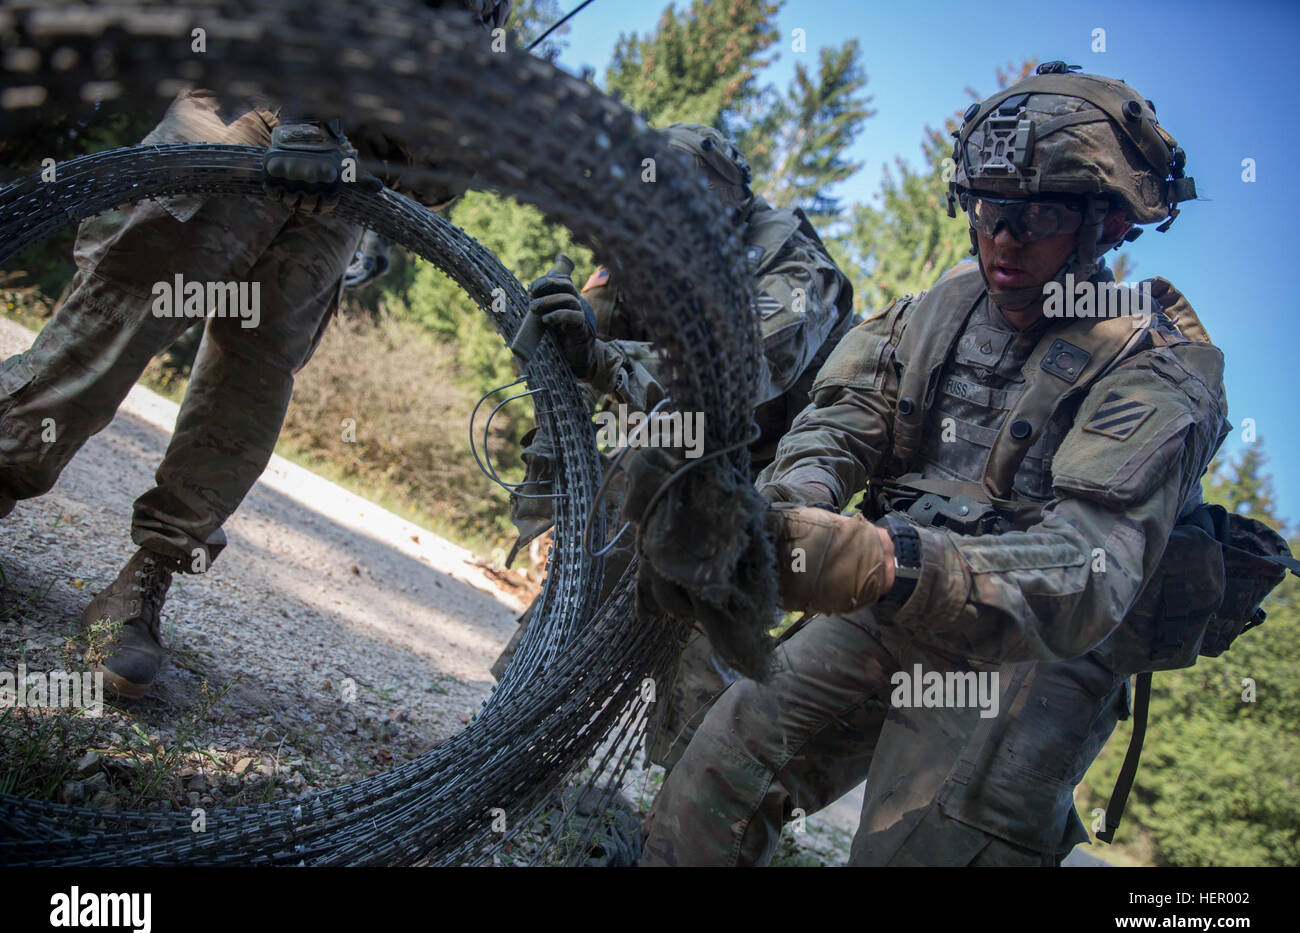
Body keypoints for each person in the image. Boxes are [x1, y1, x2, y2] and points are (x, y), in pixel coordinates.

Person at [636, 65, 1225, 865]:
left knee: (924, 852)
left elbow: (1088, 571)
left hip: (1033, 651)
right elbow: (840, 427)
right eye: (989, 206)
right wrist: (786, 517)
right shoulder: (932, 315)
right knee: (721, 766)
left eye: (1041, 212)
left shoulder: (1153, 363)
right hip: (891, 598)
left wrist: (874, 560)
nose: (1005, 237)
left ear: (1111, 224)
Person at [0, 0, 512, 698]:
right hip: (247, 115)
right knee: (123, 309)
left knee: (251, 383)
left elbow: (450, 170)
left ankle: (144, 583)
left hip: (342, 190)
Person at [494, 125, 856, 772]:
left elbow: (740, 369)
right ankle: (506, 735)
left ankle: (686, 815)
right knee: (592, 566)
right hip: (674, 444)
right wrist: (563, 320)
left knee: (700, 652)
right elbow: (590, 329)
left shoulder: (796, 265)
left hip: (769, 473)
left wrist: (602, 358)